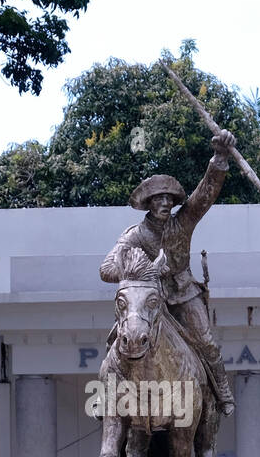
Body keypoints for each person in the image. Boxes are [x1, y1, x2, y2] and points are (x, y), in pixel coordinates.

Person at [99, 129, 238, 415]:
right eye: (157, 199)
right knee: (117, 339)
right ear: (148, 203)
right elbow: (107, 268)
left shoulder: (182, 223)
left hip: (183, 294)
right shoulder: (134, 235)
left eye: (168, 199)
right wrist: (140, 271)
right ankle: (107, 396)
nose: (164, 204)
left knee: (208, 343)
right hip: (148, 301)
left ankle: (222, 391)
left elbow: (204, 196)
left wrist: (220, 158)